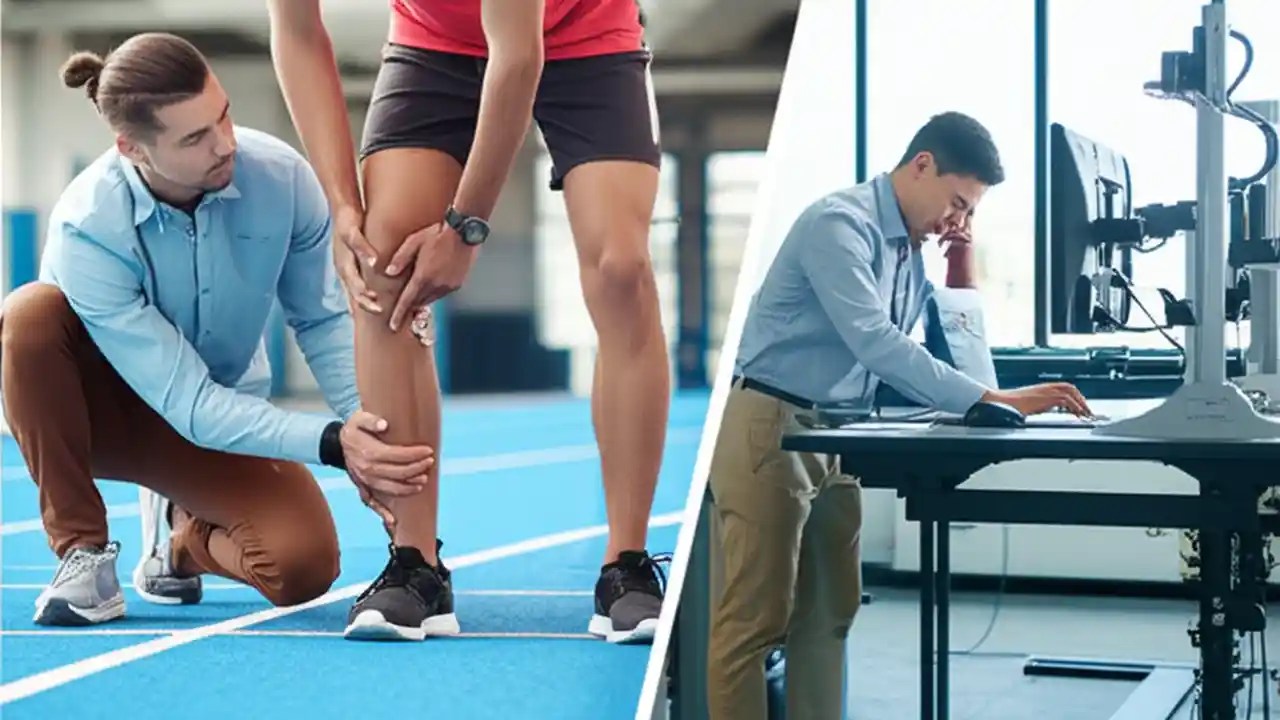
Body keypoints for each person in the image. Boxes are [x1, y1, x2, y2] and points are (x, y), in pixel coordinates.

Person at [266, 0, 670, 644]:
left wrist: (465, 227)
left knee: (621, 270)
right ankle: (414, 565)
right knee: (382, 262)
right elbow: (296, 32)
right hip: (434, 44)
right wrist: (341, 204)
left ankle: (627, 566)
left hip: (589, 35)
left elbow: (519, 57)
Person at [0, 33, 435, 627]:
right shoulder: (88, 226)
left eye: (223, 115)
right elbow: (185, 402)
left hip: (215, 413)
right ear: (133, 149)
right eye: (194, 138)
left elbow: (321, 319)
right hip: (103, 418)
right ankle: (82, 551)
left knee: (302, 566)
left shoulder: (282, 180)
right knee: (29, 315)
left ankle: (178, 541)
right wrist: (336, 443)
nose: (225, 143)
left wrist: (369, 433)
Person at [704, 111, 1092, 719]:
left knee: (830, 617)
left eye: (970, 212)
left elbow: (941, 349)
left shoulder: (908, 252)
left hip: (838, 435)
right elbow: (877, 342)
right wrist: (992, 401)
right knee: (755, 624)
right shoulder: (840, 224)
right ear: (922, 166)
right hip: (771, 425)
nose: (957, 220)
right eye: (958, 203)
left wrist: (958, 266)